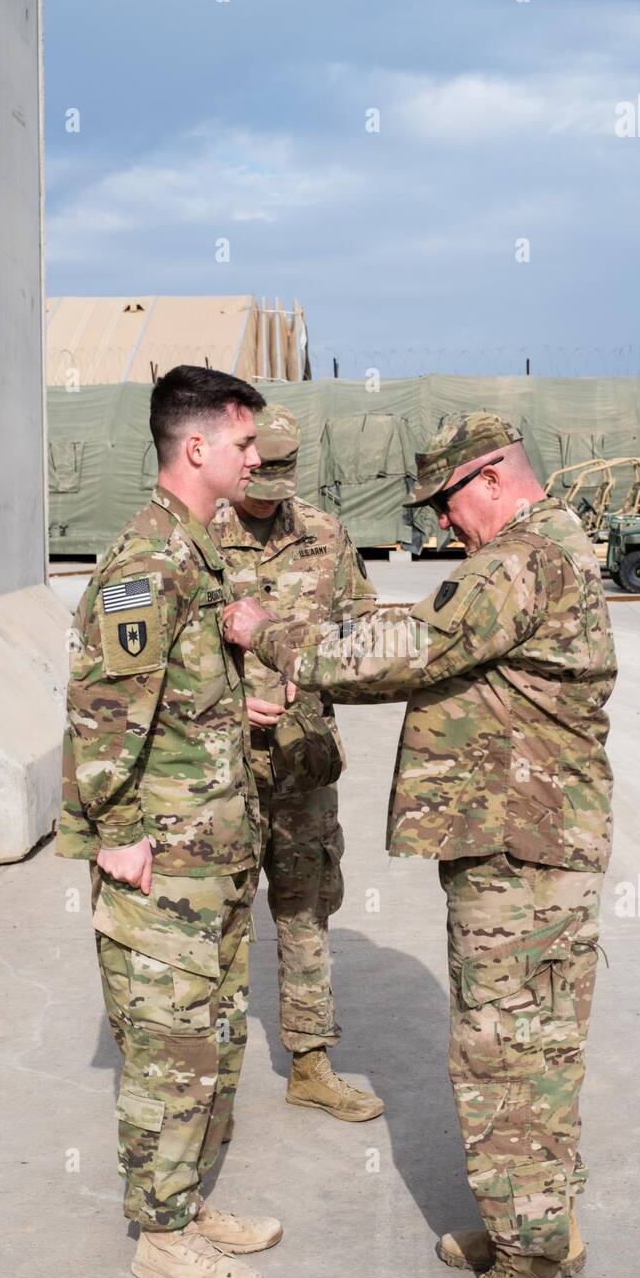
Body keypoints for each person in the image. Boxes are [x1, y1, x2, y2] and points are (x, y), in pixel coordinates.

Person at [222, 412, 618, 1278]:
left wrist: (274, 637)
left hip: (524, 849)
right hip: (517, 841)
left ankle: (527, 1268)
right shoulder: (528, 554)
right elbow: (431, 647)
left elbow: (410, 647)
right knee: (527, 1044)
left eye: (445, 501)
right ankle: (537, 1230)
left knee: (504, 1052)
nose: (440, 522)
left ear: (489, 478)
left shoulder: (522, 560)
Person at [57, 364, 282, 1278]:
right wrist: (116, 830)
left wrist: (243, 663)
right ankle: (160, 1233)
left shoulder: (198, 550)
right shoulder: (147, 562)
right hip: (165, 859)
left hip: (215, 851)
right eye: (243, 442)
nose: (256, 457)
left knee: (214, 1034)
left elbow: (179, 696)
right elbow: (105, 706)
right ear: (197, 447)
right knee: (168, 1048)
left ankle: (187, 1202)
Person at [210, 404, 384, 1121]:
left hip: (302, 761)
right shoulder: (197, 537)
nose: (266, 501)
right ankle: (205, 1079)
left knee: (305, 909)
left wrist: (313, 674)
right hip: (218, 763)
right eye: (257, 480)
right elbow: (155, 662)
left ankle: (310, 1063)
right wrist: (226, 703)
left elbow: (363, 631)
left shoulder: (323, 533)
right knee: (215, 916)